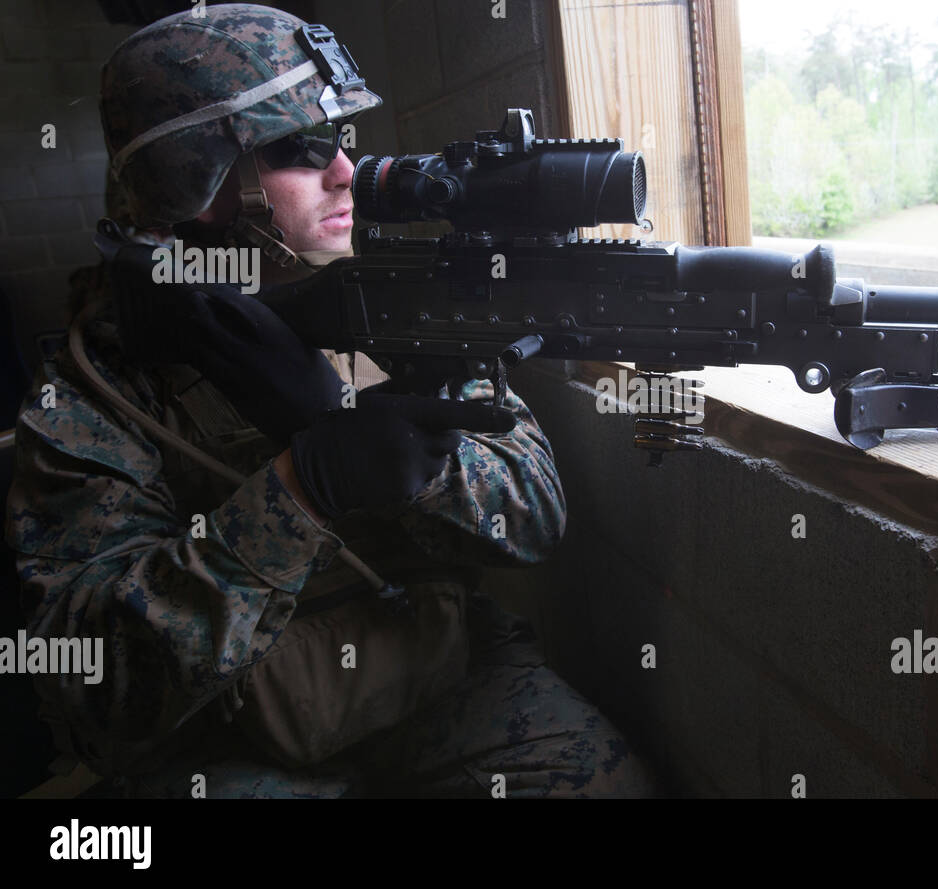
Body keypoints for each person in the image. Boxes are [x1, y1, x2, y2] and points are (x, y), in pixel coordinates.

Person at [4, 3, 656, 798]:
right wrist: (299, 493)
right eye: (301, 149)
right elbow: (91, 682)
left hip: (431, 678)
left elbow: (533, 514)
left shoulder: (384, 304)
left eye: (341, 139)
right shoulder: (100, 385)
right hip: (228, 736)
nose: (346, 170)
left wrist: (418, 473)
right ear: (199, 183)